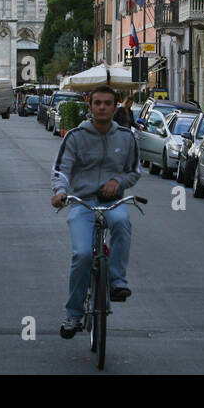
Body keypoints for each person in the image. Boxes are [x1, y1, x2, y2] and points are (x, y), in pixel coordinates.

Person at [51, 84, 141, 338]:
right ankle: (74, 315)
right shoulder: (76, 137)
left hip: (112, 202)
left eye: (107, 103)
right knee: (81, 255)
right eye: (97, 103)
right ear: (89, 106)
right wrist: (60, 191)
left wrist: (119, 182)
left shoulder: (126, 137)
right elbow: (61, 169)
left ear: (115, 107)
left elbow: (134, 171)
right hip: (82, 202)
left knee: (122, 224)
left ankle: (117, 282)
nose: (102, 107)